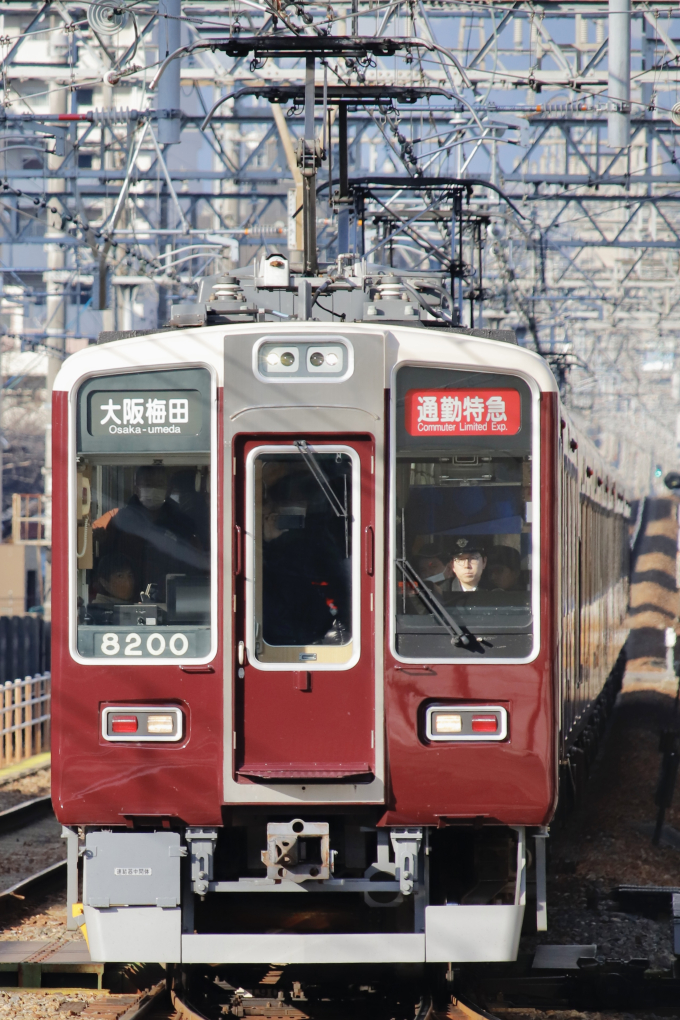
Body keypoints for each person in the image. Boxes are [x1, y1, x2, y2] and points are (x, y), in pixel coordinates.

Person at [92, 466, 208, 601]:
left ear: (168, 489)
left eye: (159, 485)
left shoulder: (182, 523)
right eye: (148, 484)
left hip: (174, 597)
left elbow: (195, 560)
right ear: (136, 489)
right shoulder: (120, 519)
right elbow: (106, 561)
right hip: (128, 599)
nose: (153, 489)